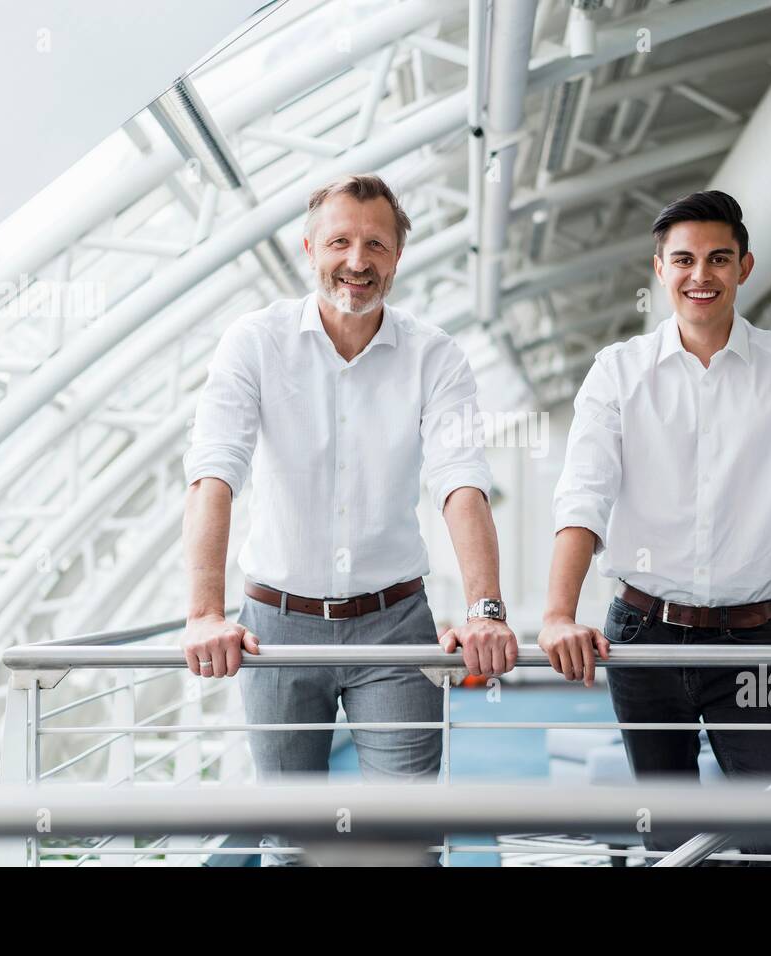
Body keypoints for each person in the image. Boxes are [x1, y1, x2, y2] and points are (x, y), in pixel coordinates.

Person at [537, 189, 771, 864]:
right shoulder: (618, 373)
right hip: (641, 638)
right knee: (670, 840)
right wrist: (556, 614)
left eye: (718, 258)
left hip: (753, 644)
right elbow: (583, 500)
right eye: (683, 259)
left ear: (744, 267)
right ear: (659, 269)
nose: (700, 275)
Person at [181, 173, 517, 861]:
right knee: (289, 842)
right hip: (274, 626)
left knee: (407, 838)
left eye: (376, 245)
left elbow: (460, 482)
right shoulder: (254, 342)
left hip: (394, 626)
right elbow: (215, 472)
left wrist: (485, 607)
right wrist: (203, 613)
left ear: (396, 258)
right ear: (309, 249)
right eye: (340, 241)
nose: (357, 261)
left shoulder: (434, 354)